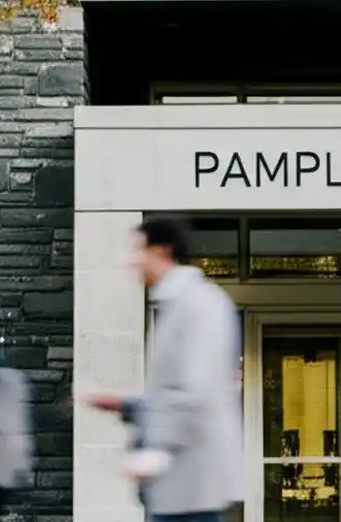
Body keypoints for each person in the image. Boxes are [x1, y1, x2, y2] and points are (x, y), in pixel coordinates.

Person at [83, 215, 242, 522]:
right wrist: (125, 404)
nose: (132, 261)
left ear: (162, 251)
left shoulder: (199, 304)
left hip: (192, 482)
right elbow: (176, 392)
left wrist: (157, 453)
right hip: (178, 487)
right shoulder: (176, 304)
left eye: (138, 250)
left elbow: (199, 390)